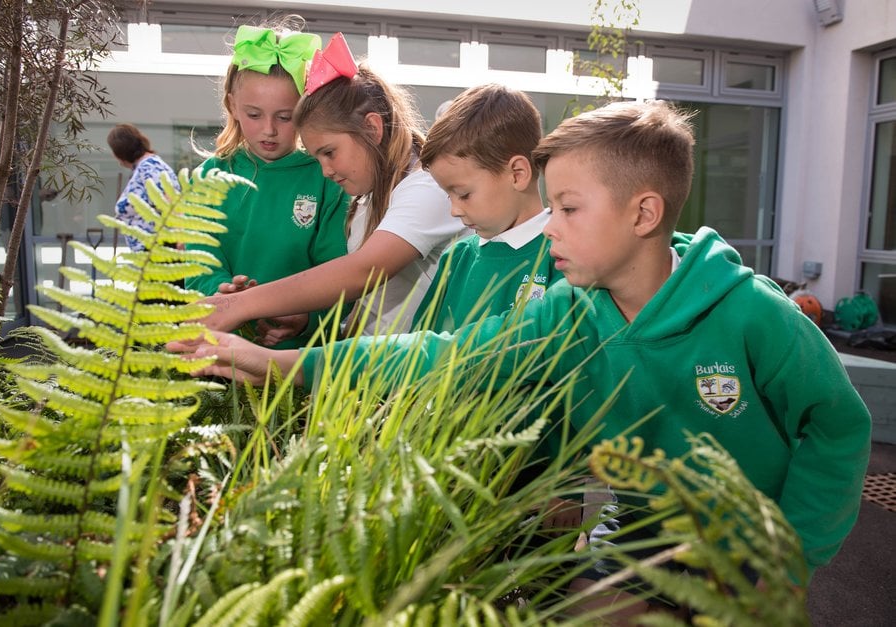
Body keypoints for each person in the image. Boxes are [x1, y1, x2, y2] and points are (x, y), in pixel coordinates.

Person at [170, 100, 871, 591]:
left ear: (643, 212)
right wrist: (284, 363)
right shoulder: (570, 312)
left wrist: (793, 553)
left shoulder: (752, 312)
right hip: (635, 544)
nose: (551, 226)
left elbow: (839, 426)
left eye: (567, 208)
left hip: (748, 561)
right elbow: (441, 354)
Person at [199, 33, 470, 341]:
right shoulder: (368, 195)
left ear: (371, 128)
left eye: (329, 153)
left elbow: (362, 272)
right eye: (317, 157)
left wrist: (238, 304)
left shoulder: (426, 187)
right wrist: (305, 318)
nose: (325, 171)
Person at [184, 22, 350, 349]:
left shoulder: (329, 177)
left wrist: (308, 317)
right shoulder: (207, 177)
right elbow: (199, 261)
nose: (269, 130)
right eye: (254, 114)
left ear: (306, 109)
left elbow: (340, 272)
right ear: (232, 105)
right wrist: (223, 293)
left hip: (302, 358)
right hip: (219, 352)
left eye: (285, 117)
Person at [412, 83, 560, 332]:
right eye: (449, 197)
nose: (455, 211)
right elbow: (419, 350)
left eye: (463, 194)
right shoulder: (457, 259)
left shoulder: (563, 256)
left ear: (517, 174)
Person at [107, 123, 178, 252]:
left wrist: (180, 238)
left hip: (159, 251)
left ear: (119, 152)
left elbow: (169, 201)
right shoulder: (144, 168)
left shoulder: (149, 167)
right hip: (152, 251)